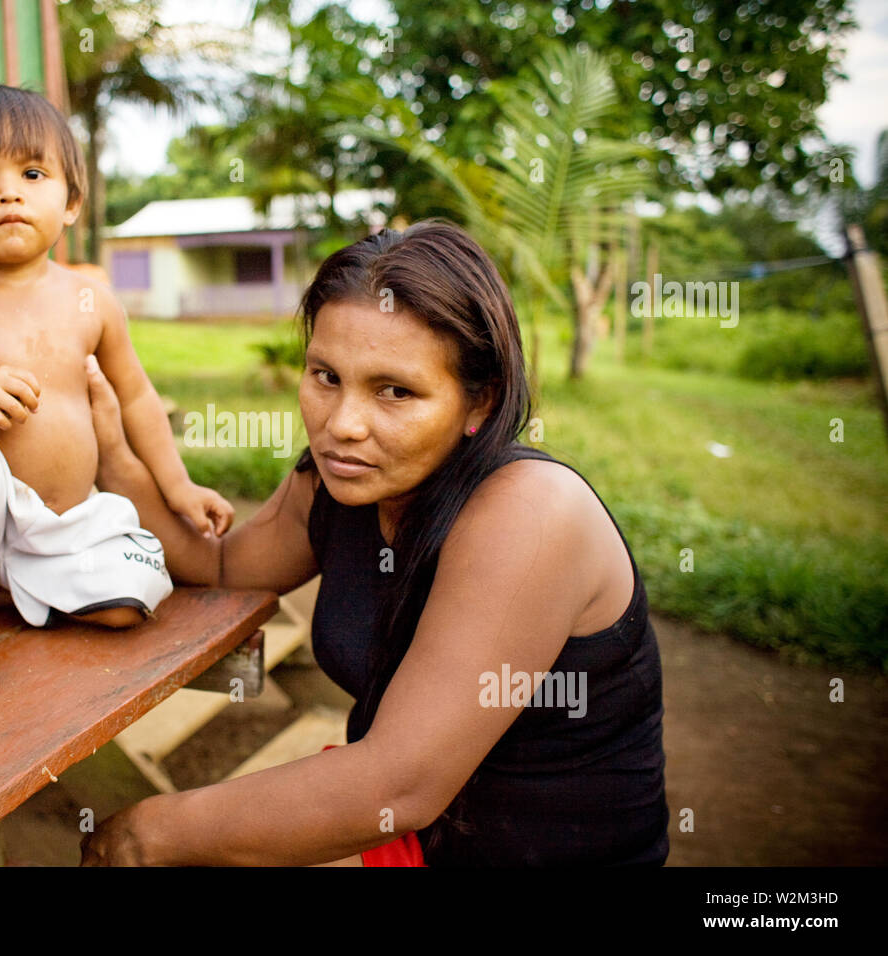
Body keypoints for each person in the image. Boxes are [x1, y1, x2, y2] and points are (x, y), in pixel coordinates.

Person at [78, 220, 670, 866]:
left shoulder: (531, 514)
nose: (342, 425)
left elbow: (398, 783)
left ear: (481, 400)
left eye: (395, 391)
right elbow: (221, 564)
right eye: (326, 376)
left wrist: (143, 835)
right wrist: (116, 456)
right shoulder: (340, 484)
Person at [0, 84, 233, 699]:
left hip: (65, 524)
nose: (8, 192)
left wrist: (178, 485)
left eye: (32, 172)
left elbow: (136, 398)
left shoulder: (91, 301)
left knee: (127, 604)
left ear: (71, 201)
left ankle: (1, 587)